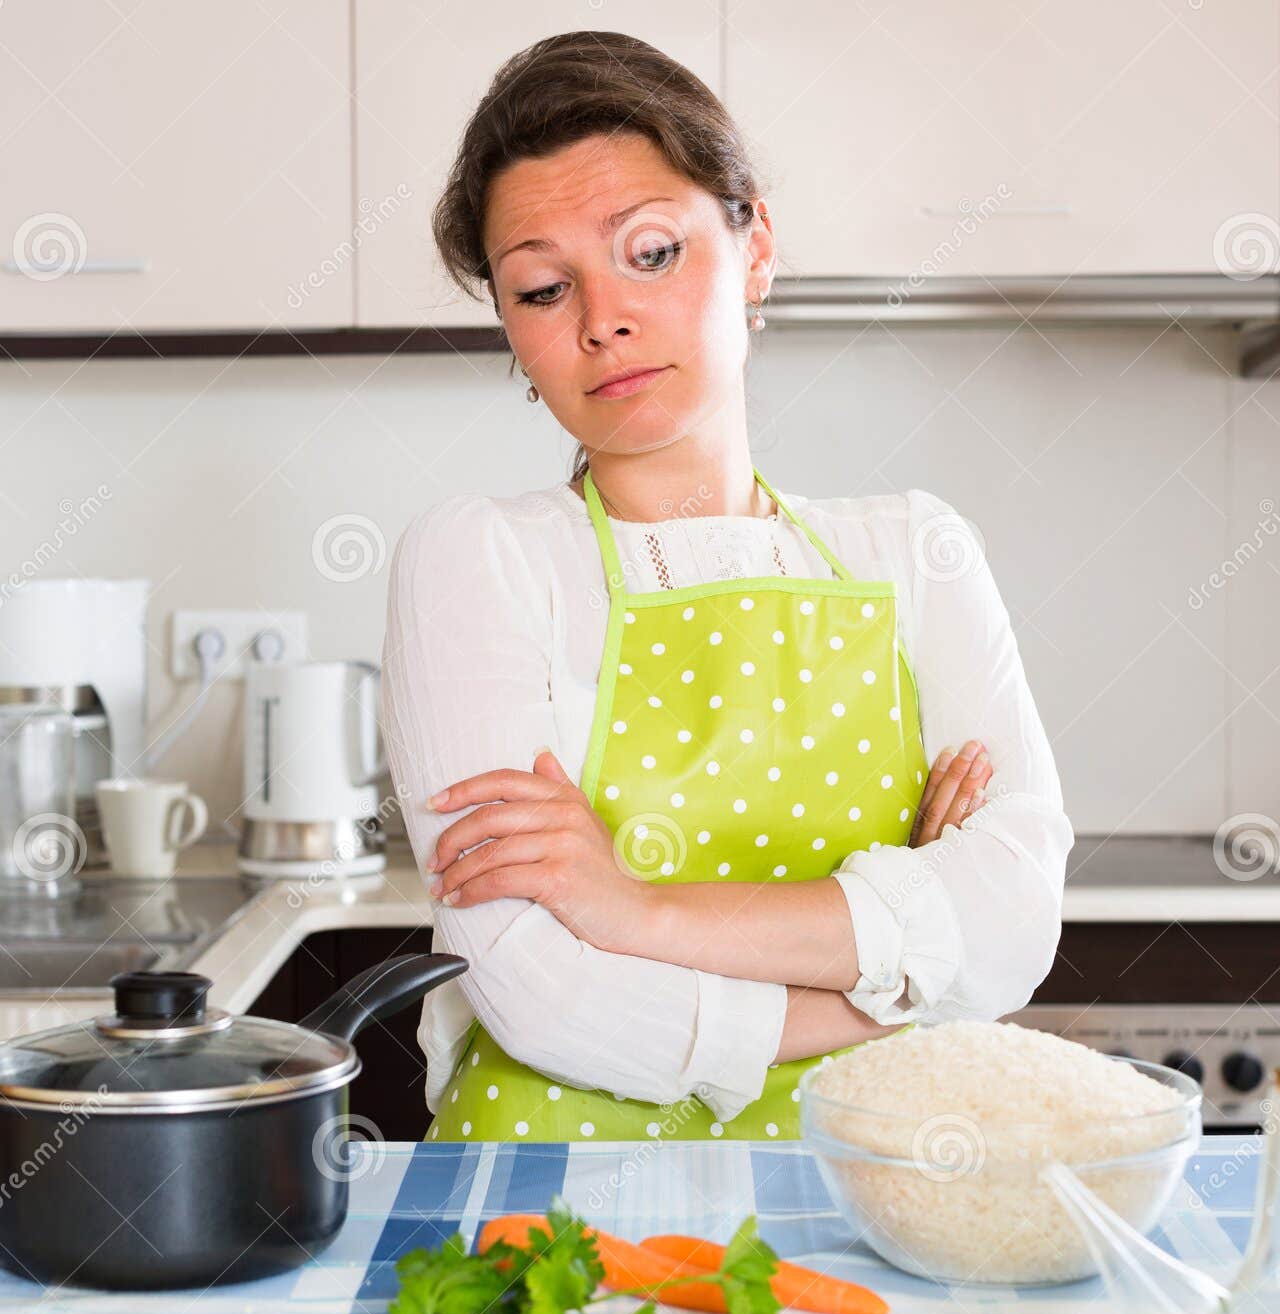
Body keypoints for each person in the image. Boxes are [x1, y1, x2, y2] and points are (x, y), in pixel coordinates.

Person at [379, 31, 1074, 1143]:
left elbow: (1012, 929)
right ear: (516, 334)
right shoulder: (476, 562)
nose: (602, 317)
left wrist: (634, 907)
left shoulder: (918, 552)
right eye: (545, 287)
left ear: (754, 251)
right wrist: (886, 982)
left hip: (874, 1194)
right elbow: (538, 991)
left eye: (649, 251)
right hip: (548, 1224)